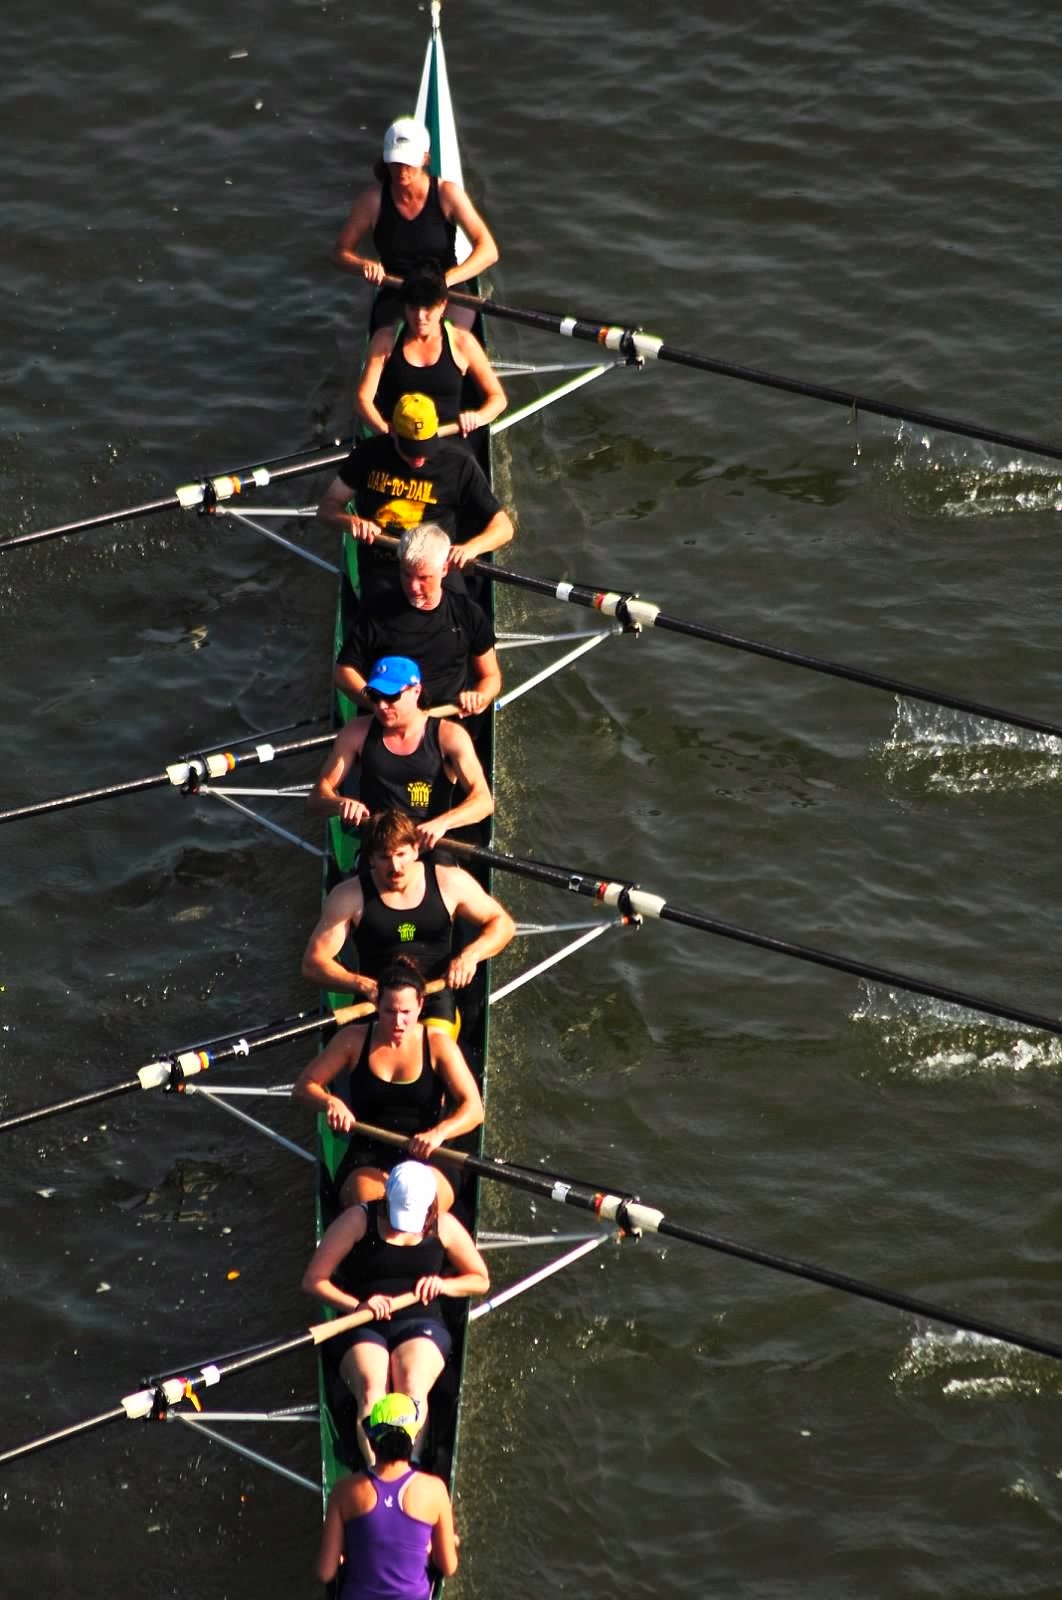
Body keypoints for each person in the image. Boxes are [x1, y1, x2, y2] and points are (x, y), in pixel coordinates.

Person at [302, 1160, 489, 1466]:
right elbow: (313, 1281)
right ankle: (375, 1471)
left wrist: (442, 1284)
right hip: (363, 1321)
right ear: (386, 1197)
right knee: (372, 1388)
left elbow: (480, 1279)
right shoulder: (357, 1220)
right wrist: (357, 1306)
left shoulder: (444, 1225)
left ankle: (407, 1467)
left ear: (430, 1206)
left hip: (422, 1322)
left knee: (412, 1385)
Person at [292, 955, 483, 1212]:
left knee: (418, 1215)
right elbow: (303, 1088)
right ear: (376, 1005)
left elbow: (474, 1110)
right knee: (375, 1216)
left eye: (406, 1013)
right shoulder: (353, 1040)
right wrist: (329, 1101)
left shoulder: (439, 1045)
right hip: (369, 1154)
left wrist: (439, 1134)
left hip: (429, 1152)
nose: (398, 1022)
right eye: (389, 1012)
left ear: (420, 1005)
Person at [300, 806, 515, 1033]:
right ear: (371, 858)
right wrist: (362, 984)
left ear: (416, 849)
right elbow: (312, 964)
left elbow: (502, 924)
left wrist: (470, 956)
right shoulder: (349, 896)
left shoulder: (449, 882)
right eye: (385, 858)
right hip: (378, 1003)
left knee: (427, 1052)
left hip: (433, 998)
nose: (395, 867)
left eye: (401, 855)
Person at [317, 392, 514, 608]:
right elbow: (327, 508)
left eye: (425, 449)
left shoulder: (458, 463)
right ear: (392, 432)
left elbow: (504, 528)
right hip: (383, 563)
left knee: (463, 626)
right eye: (410, 451)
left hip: (437, 567)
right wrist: (351, 522)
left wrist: (471, 548)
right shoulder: (368, 454)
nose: (419, 459)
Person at [310, 654, 494, 849]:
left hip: (431, 845)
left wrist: (443, 823)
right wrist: (339, 804)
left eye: (391, 696)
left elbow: (483, 802)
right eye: (375, 696)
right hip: (380, 847)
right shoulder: (356, 733)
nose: (381, 705)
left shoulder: (449, 736)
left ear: (416, 691)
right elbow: (316, 799)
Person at [334, 114, 498, 331]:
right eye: (396, 163)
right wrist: (363, 265)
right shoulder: (372, 201)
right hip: (398, 289)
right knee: (392, 348)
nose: (402, 171)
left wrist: (447, 279)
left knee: (455, 346)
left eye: (408, 163)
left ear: (425, 159)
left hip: (445, 289)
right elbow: (340, 253)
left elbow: (488, 251)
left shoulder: (447, 194)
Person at [335, 525, 501, 716]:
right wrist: (376, 703)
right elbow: (343, 673)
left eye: (424, 578)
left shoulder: (467, 613)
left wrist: (480, 696)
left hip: (447, 716)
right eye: (406, 574)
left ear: (444, 569)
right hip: (389, 719)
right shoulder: (377, 612)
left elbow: (491, 676)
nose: (413, 586)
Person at [315, 1391, 458, 1599]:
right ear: (414, 1439)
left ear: (372, 1442)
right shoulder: (435, 1490)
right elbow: (449, 1566)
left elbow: (325, 1572)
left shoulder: (344, 1490)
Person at [356, 265, 507, 440]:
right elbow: (362, 400)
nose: (420, 316)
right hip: (398, 438)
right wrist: (385, 429)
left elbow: (498, 398)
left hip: (448, 437)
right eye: (413, 308)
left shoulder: (463, 343)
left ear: (443, 305)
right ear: (405, 307)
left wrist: (477, 417)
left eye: (428, 308)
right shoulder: (385, 340)